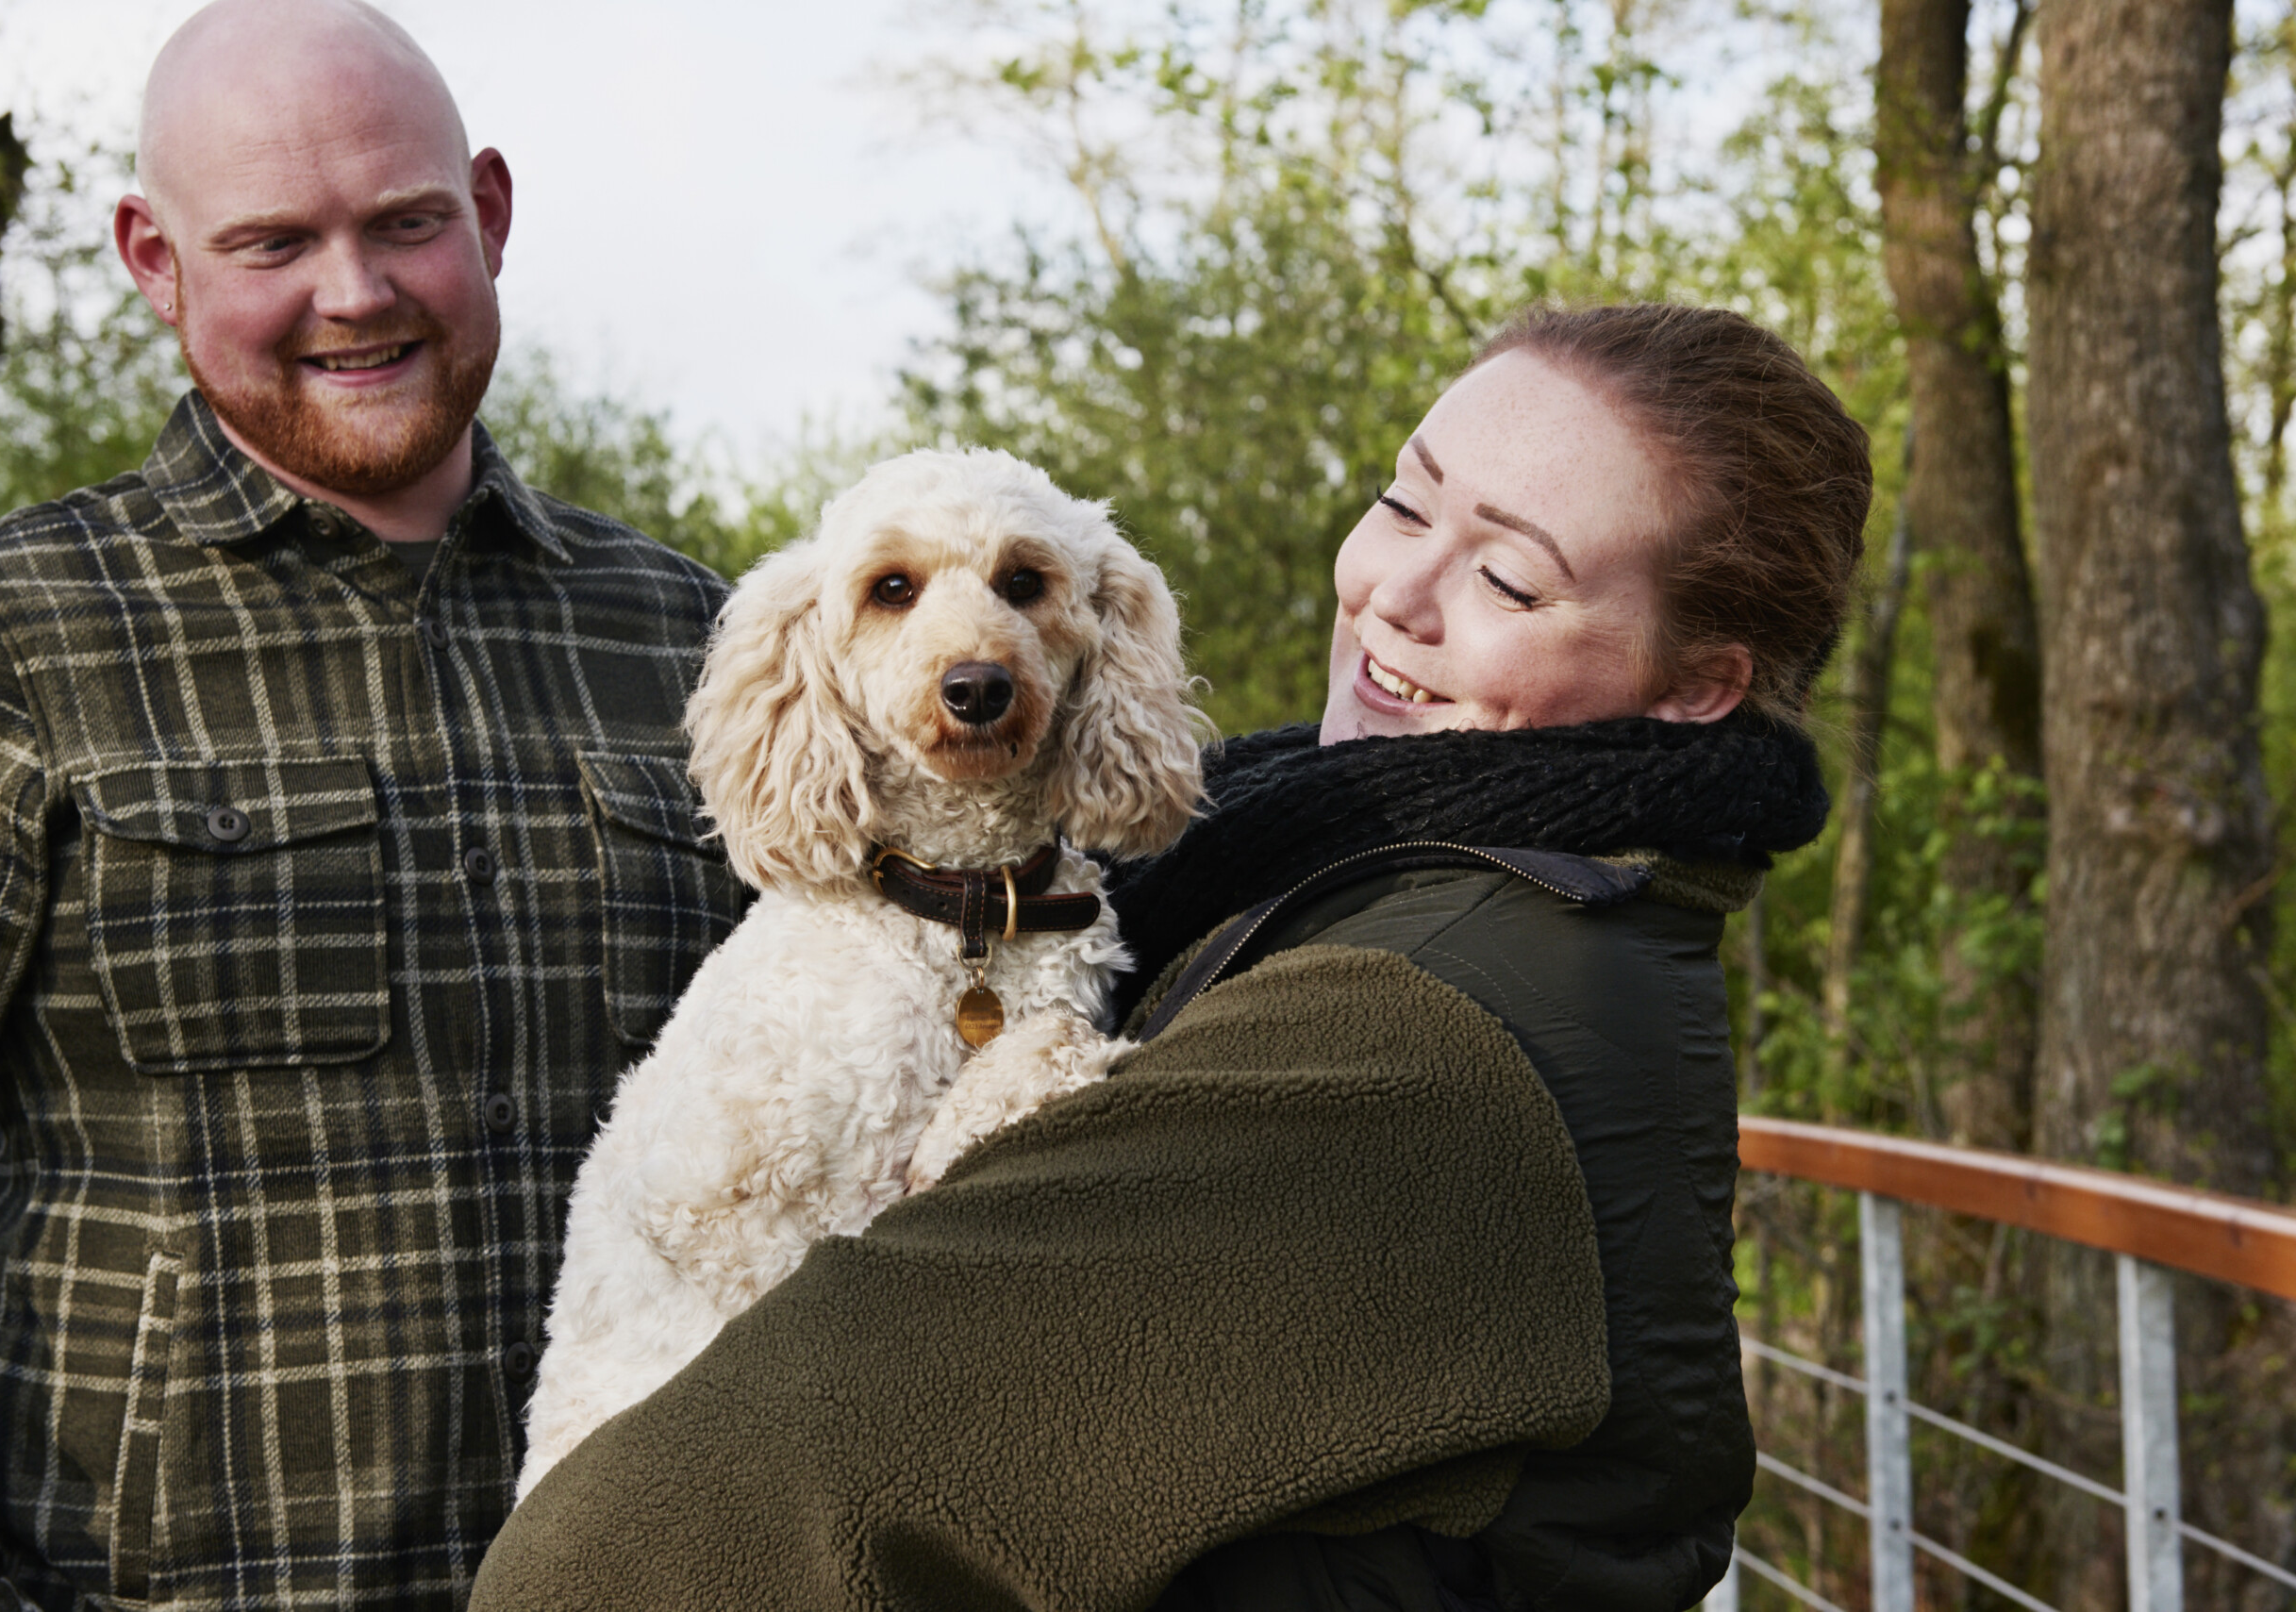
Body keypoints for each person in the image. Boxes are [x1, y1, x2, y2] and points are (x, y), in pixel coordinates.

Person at [473, 302, 1864, 1612]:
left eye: (1507, 576)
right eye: (1403, 504)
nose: (1395, 596)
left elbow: (624, 1553)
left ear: (1699, 686)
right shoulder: (1360, 870)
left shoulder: (1423, 1022)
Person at [0, 2, 735, 1606]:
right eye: (274, 241)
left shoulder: (702, 642)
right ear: (156, 260)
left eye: (405, 223)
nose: (354, 293)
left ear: (488, 214)